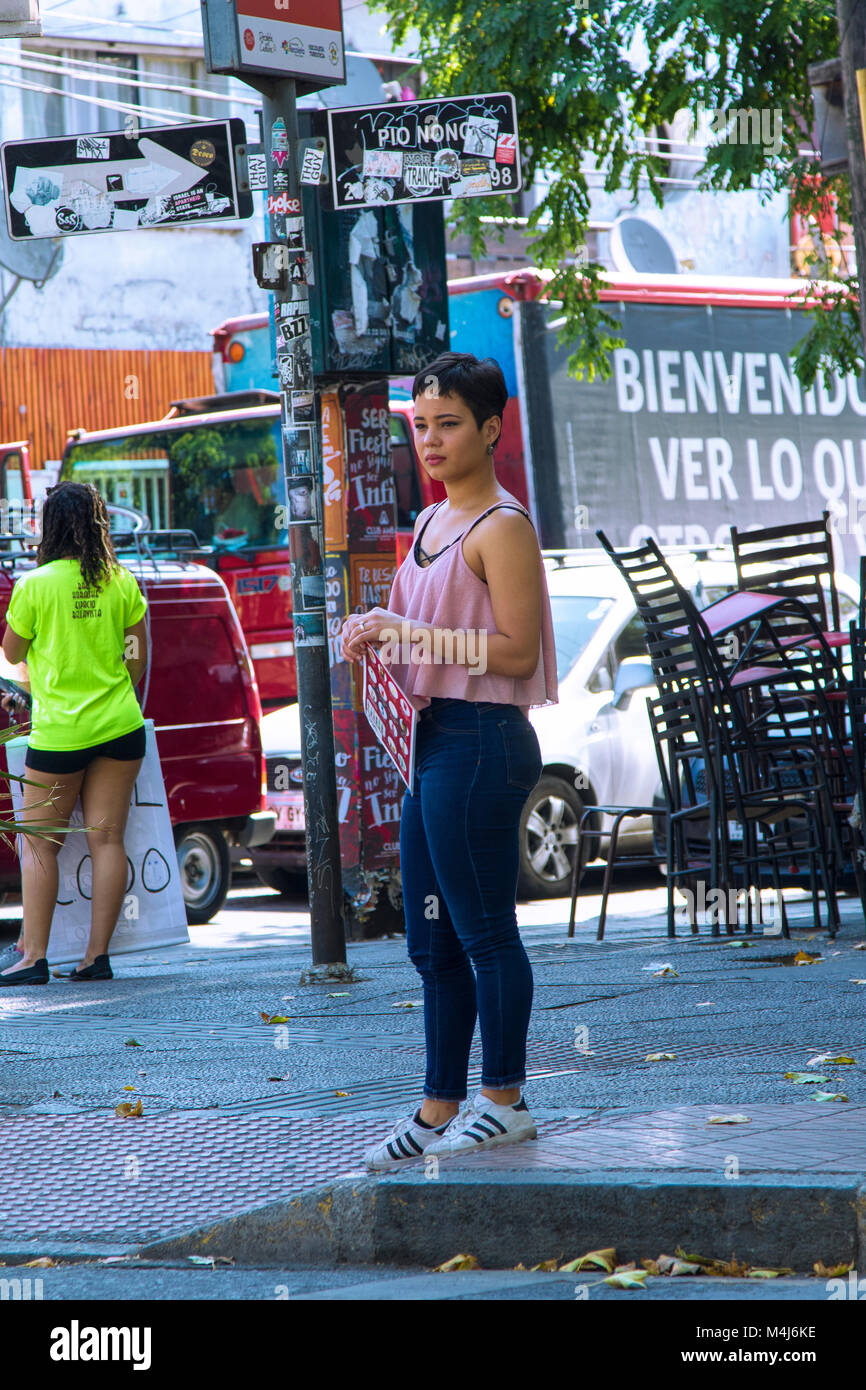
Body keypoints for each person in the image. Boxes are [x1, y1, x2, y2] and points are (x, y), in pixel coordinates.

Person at [341, 352, 558, 1170]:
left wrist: (406, 634)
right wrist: (374, 624)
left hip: (482, 743)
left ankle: (505, 1101)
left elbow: (517, 651)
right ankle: (440, 1105)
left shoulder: (502, 526)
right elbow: (409, 623)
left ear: (491, 429)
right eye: (420, 425)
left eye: (448, 424)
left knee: (486, 934)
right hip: (431, 743)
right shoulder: (431, 523)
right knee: (431, 945)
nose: (429, 440)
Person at [0, 481, 148, 986]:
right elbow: (138, 661)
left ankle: (33, 957)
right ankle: (95, 958)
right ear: (98, 524)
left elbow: (13, 653)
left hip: (61, 734)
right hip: (121, 727)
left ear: (49, 527)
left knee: (40, 845)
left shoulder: (35, 586)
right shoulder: (121, 580)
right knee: (108, 840)